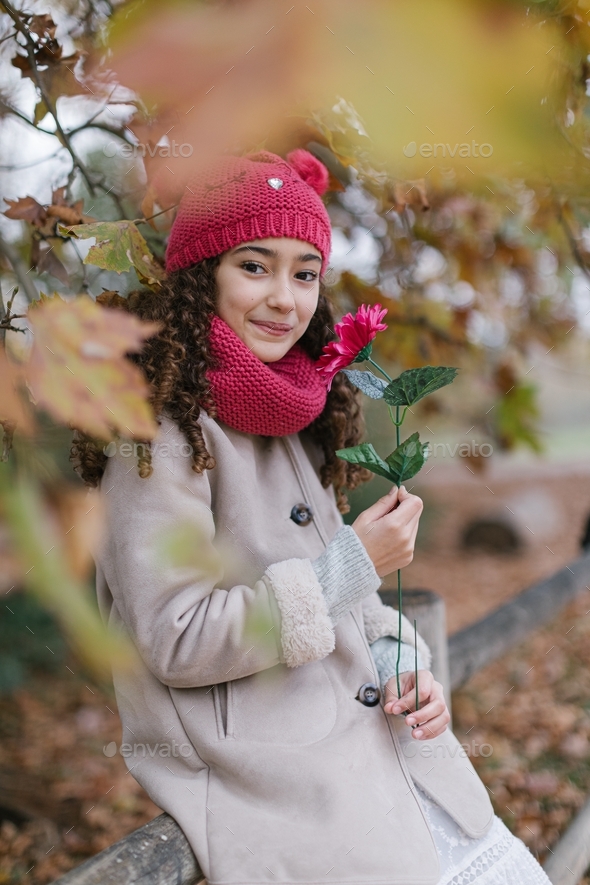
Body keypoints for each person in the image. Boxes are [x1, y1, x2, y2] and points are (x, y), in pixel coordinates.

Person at [76, 148, 551, 884]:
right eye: (255, 266)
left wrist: (401, 660)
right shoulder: (160, 435)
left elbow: (347, 603)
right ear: (203, 276)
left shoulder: (296, 416)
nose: (284, 298)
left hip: (392, 762)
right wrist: (353, 563)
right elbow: (175, 636)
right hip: (284, 787)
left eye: (304, 272)